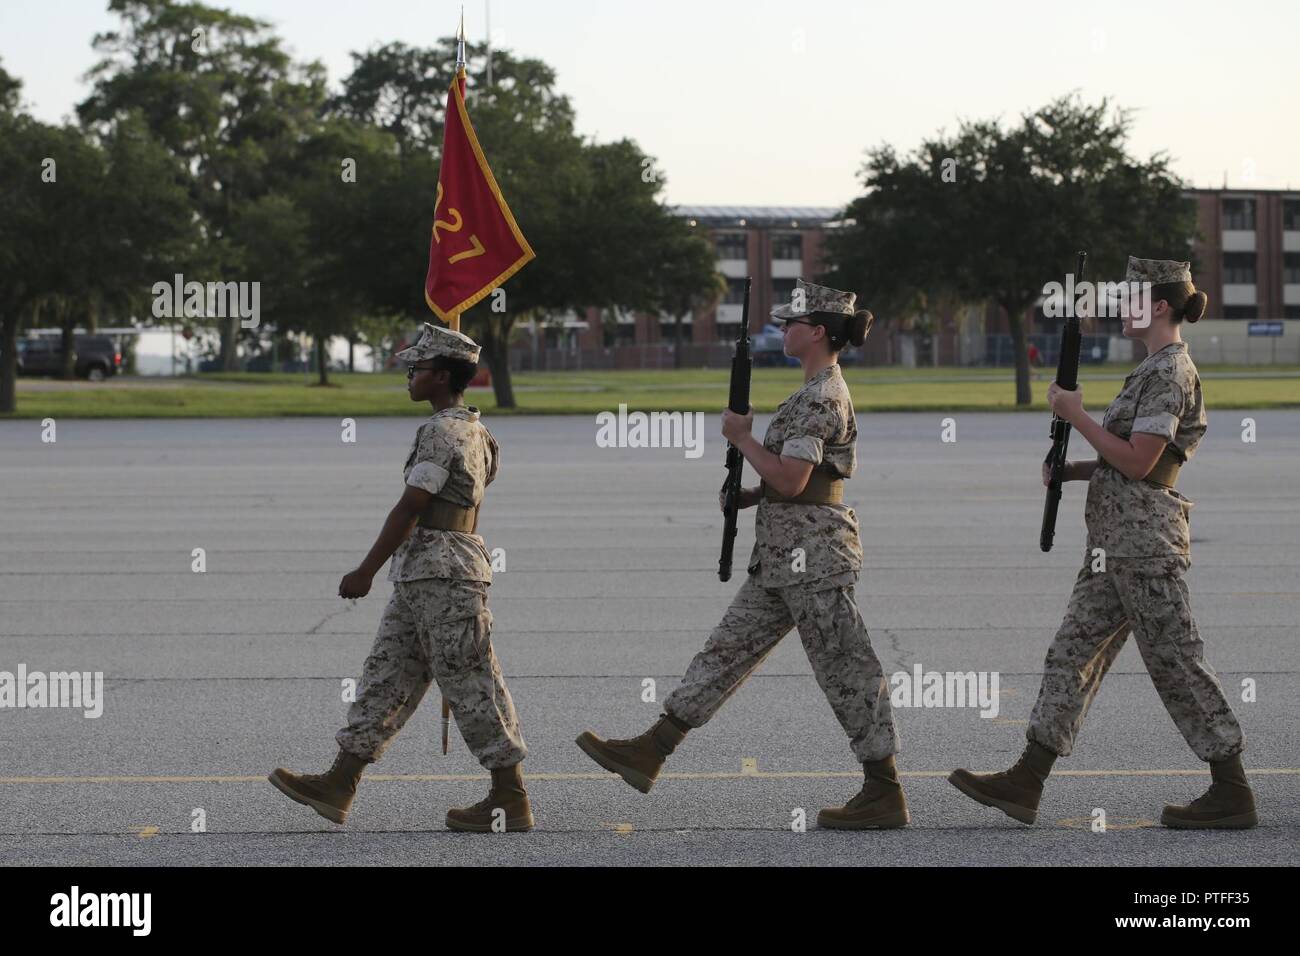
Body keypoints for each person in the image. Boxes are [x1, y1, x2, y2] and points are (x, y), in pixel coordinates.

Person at [576, 278, 907, 829]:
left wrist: (743, 441)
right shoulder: (808, 392)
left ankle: (884, 791)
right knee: (723, 653)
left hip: (815, 560)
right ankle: (651, 750)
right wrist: (752, 493)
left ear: (818, 332)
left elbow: (796, 480)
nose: (783, 329)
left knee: (846, 670)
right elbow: (790, 481)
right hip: (782, 558)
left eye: (792, 323)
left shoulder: (823, 397)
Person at [949, 257, 1256, 829]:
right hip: (1112, 546)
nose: (1120, 304)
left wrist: (1076, 413)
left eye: (1132, 296)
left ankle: (1232, 789)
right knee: (1071, 655)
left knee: (1176, 664)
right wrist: (1072, 470)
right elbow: (1129, 457)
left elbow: (1142, 463)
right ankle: (1028, 779)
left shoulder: (1170, 372)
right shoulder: (1149, 369)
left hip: (1145, 546)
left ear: (1159, 306)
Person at [269, 322, 531, 832]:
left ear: (442, 376)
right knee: (387, 676)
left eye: (420, 367)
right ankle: (339, 783)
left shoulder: (441, 432)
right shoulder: (478, 430)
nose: (410, 374)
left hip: (443, 576)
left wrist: (364, 569)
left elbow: (413, 504)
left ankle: (510, 798)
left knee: (472, 680)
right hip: (426, 572)